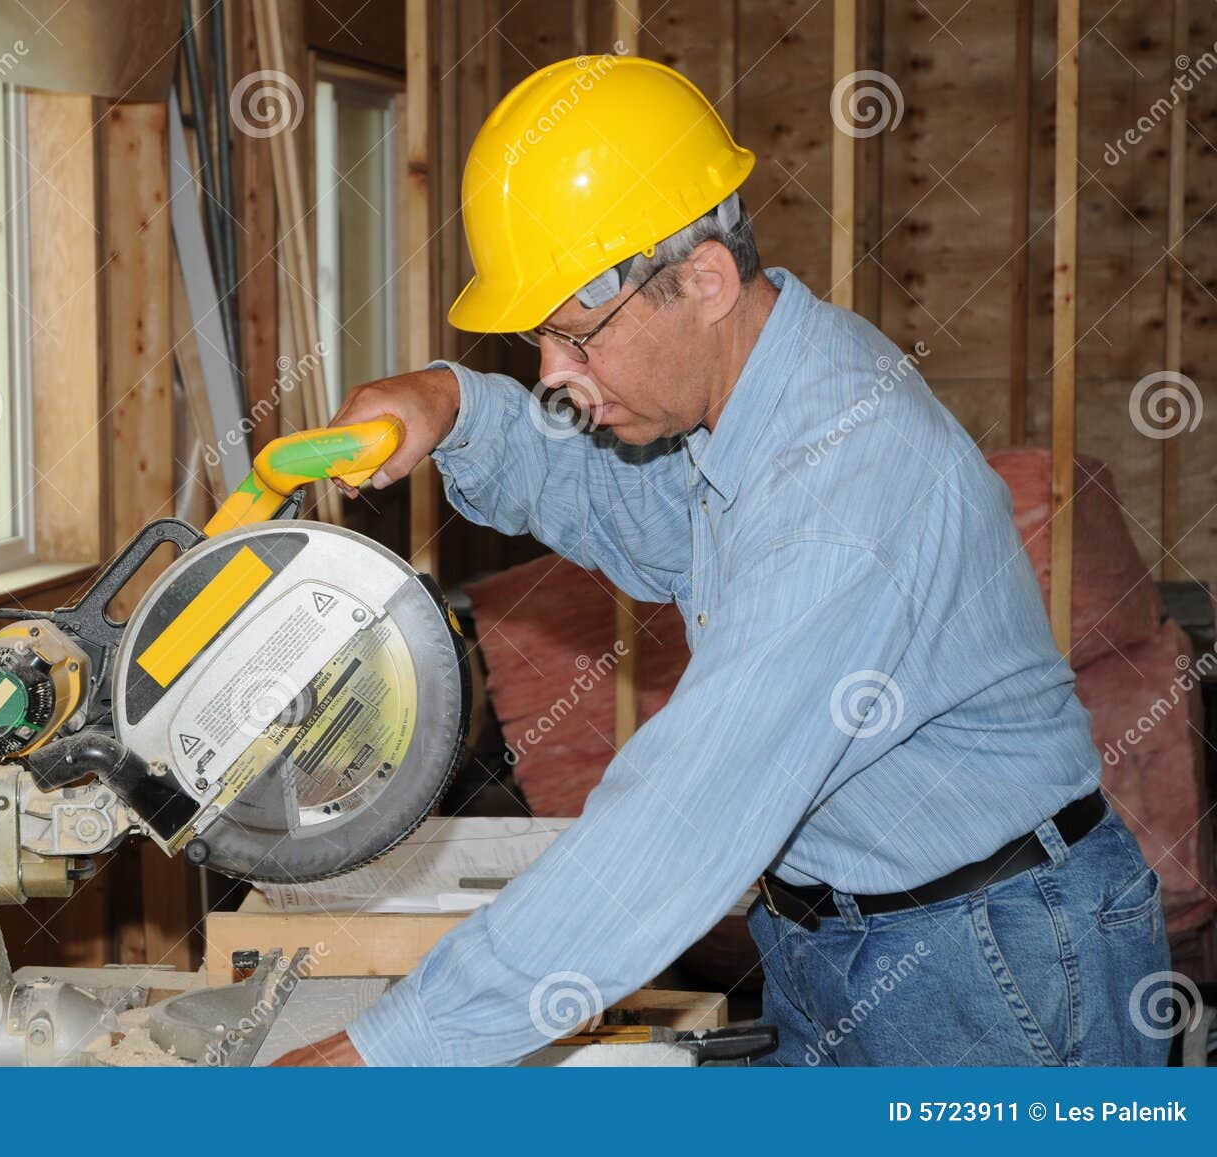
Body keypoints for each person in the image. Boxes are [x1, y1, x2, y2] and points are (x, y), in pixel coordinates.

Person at [273, 55, 1170, 1067]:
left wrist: (393, 1048)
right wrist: (453, 407)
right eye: (536, 344)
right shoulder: (756, 389)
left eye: (576, 339)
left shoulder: (842, 488)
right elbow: (637, 510)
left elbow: (678, 819)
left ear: (703, 277)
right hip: (848, 931)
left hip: (985, 960)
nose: (555, 381)